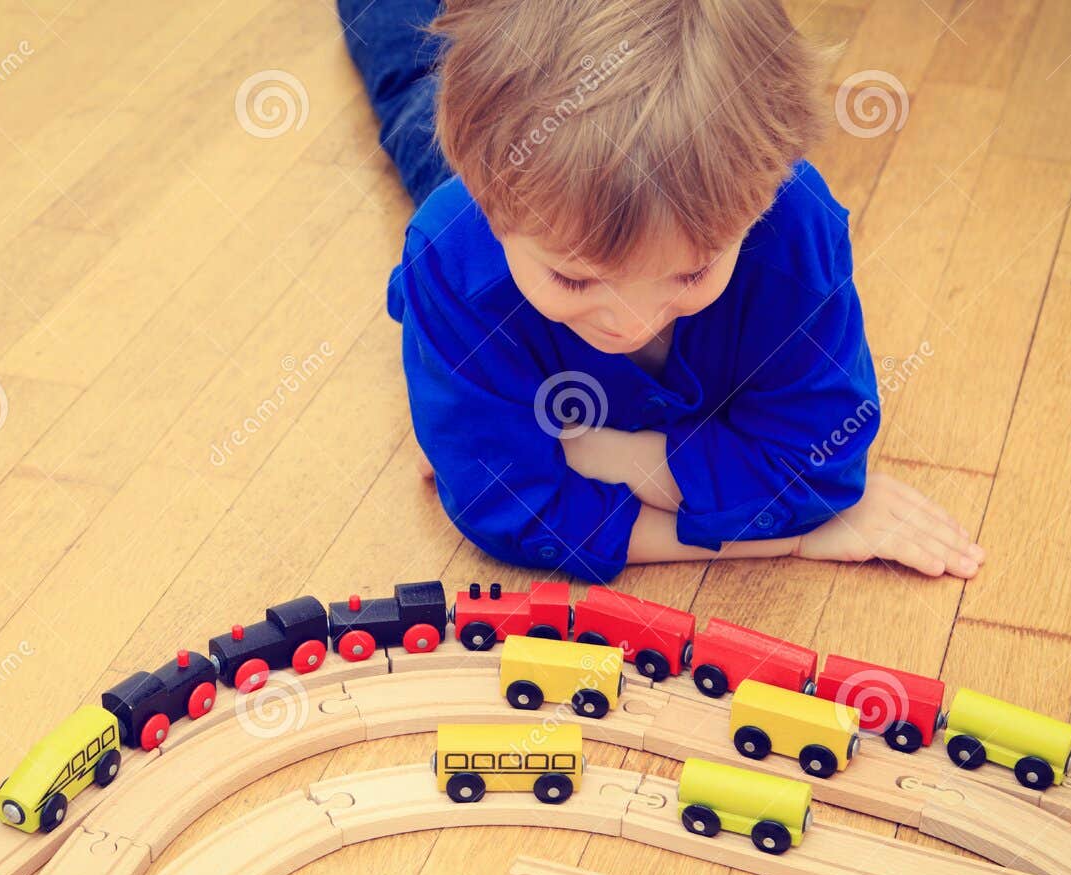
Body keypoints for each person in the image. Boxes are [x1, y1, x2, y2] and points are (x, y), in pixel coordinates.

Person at [340, 0, 984, 582]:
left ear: (760, 205)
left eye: (691, 272)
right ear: (487, 201)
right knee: (410, 94)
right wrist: (773, 542)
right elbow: (505, 513)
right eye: (573, 277)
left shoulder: (792, 222)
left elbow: (820, 471)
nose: (632, 323)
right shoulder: (455, 247)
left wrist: (590, 453)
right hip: (481, 195)